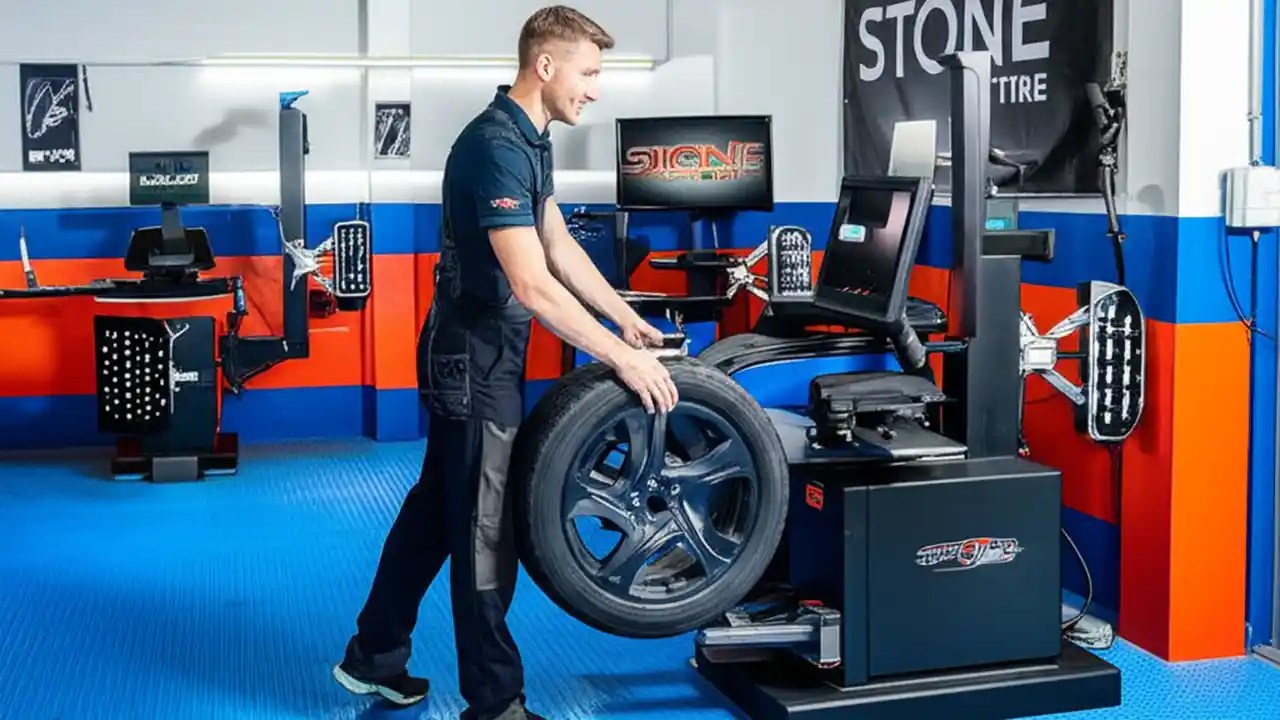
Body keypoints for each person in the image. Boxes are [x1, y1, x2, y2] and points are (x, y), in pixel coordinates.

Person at [332, 6, 679, 719]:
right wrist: (616, 357)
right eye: (588, 73)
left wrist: (625, 317)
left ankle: (373, 657)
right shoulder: (493, 146)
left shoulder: (530, 138)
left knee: (436, 510)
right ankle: (496, 705)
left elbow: (557, 244)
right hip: (474, 358)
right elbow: (530, 282)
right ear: (545, 66)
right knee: (485, 531)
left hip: (483, 351)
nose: (595, 89)